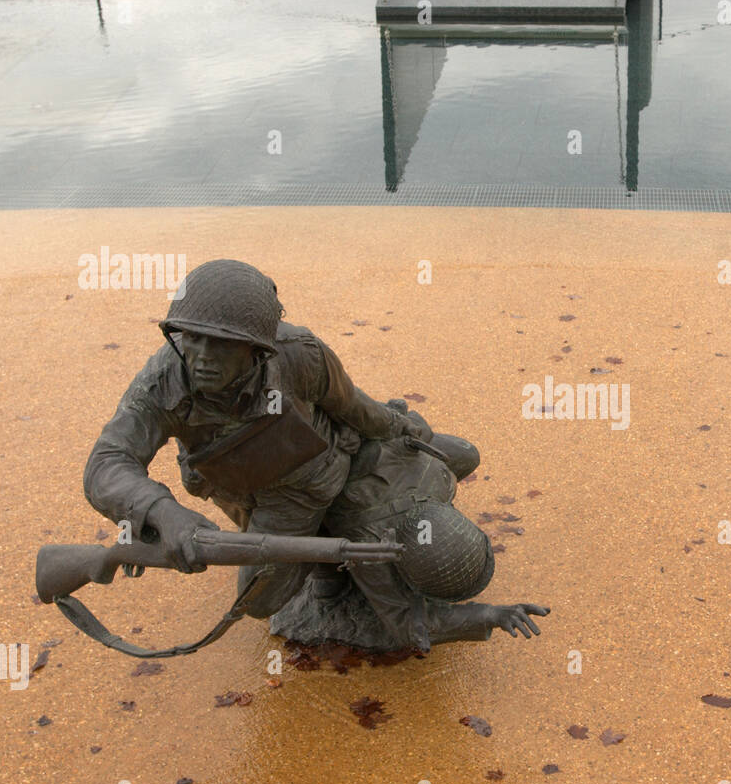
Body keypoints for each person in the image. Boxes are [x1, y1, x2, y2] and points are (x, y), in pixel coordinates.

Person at [83, 259, 545, 652]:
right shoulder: (163, 382)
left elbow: (354, 407)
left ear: (258, 350)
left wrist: (400, 426)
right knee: (261, 603)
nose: (201, 355)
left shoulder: (299, 355)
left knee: (457, 456)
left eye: (222, 342)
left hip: (341, 456)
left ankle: (380, 497)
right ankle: (327, 561)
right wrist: (164, 515)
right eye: (190, 337)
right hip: (283, 498)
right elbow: (107, 464)